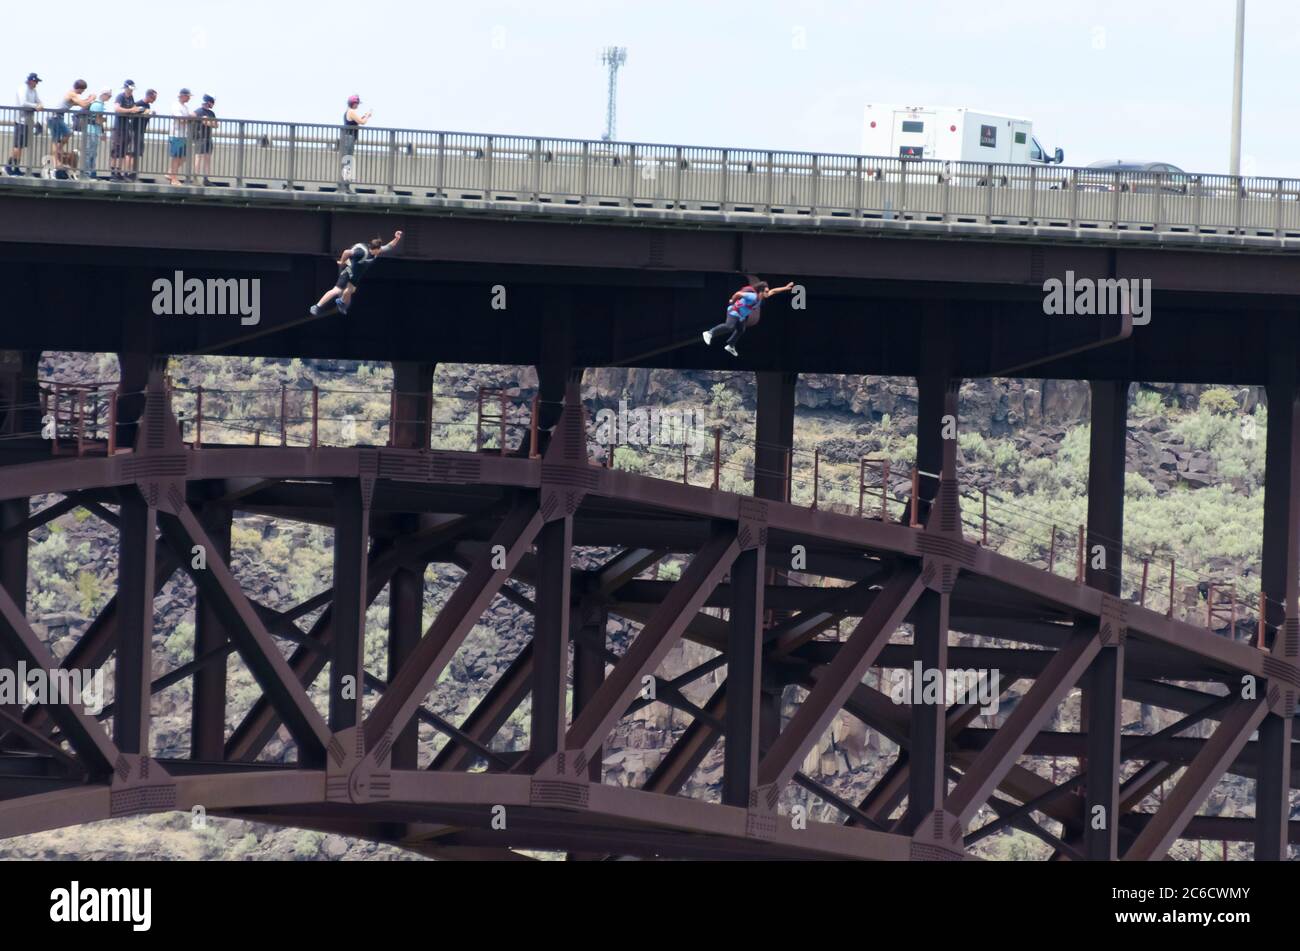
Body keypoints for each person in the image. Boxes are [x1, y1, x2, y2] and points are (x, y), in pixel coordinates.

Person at [310, 231, 402, 316]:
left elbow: (389, 246)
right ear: (375, 249)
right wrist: (342, 262)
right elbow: (347, 252)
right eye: (379, 250)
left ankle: (341, 302)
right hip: (349, 269)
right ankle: (317, 306)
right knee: (337, 290)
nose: (380, 251)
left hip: (357, 273)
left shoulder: (376, 251)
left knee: (351, 290)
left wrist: (397, 238)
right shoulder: (362, 252)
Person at [702, 279, 795, 356]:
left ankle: (730, 345)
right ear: (761, 291)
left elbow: (774, 291)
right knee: (729, 326)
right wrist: (732, 300)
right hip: (734, 312)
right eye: (766, 291)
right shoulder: (752, 296)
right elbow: (738, 294)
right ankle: (709, 333)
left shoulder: (761, 297)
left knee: (741, 330)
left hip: (741, 316)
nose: (768, 293)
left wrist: (786, 288)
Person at [6, 73, 42, 176]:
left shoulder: (34, 91)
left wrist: (40, 104)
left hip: (27, 122)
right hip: (20, 121)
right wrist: (36, 106)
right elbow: (23, 103)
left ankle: (16, 167)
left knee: (21, 146)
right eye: (36, 82)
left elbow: (38, 101)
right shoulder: (23, 88)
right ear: (31, 81)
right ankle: (9, 166)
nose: (37, 84)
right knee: (17, 145)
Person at [51, 79, 92, 169]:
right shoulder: (72, 94)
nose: (83, 92)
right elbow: (83, 105)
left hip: (58, 116)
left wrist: (88, 99)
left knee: (63, 136)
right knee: (59, 139)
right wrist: (91, 99)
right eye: (83, 90)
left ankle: (58, 152)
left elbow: (78, 103)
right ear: (80, 88)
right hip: (55, 117)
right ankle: (56, 160)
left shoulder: (71, 94)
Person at [110, 80, 144, 181]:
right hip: (119, 127)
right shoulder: (120, 96)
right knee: (116, 151)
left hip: (126, 127)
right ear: (125, 88)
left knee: (122, 151)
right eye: (129, 89)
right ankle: (113, 173)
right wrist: (130, 110)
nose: (131, 91)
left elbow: (133, 107)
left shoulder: (131, 97)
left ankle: (119, 172)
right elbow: (117, 108)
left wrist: (140, 110)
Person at [339, 94, 371, 189]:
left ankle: (345, 185)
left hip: (348, 137)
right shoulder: (351, 111)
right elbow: (362, 122)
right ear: (353, 103)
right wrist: (368, 116)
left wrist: (364, 116)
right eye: (357, 103)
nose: (358, 105)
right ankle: (346, 186)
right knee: (348, 160)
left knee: (347, 160)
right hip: (349, 138)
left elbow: (358, 120)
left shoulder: (348, 112)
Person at [167, 88, 193, 185]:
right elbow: (180, 120)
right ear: (183, 96)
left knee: (183, 157)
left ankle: (170, 173)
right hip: (176, 135)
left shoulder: (185, 107)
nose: (189, 98)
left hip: (183, 135)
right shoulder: (176, 105)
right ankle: (173, 178)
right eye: (188, 96)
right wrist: (189, 119)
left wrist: (189, 118)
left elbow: (186, 118)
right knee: (176, 157)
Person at [83, 90, 111, 178]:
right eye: (109, 96)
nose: (109, 98)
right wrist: (104, 120)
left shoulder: (99, 104)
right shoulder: (98, 105)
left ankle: (91, 173)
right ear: (104, 95)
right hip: (92, 131)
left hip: (94, 131)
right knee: (90, 152)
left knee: (92, 153)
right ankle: (88, 173)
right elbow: (97, 120)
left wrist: (102, 132)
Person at [191, 94, 217, 184]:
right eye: (212, 103)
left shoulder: (211, 113)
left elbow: (216, 125)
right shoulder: (198, 111)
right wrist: (203, 120)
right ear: (209, 102)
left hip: (208, 138)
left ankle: (206, 179)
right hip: (199, 138)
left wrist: (207, 121)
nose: (213, 105)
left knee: (207, 158)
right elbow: (190, 117)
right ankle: (195, 178)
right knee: (198, 157)